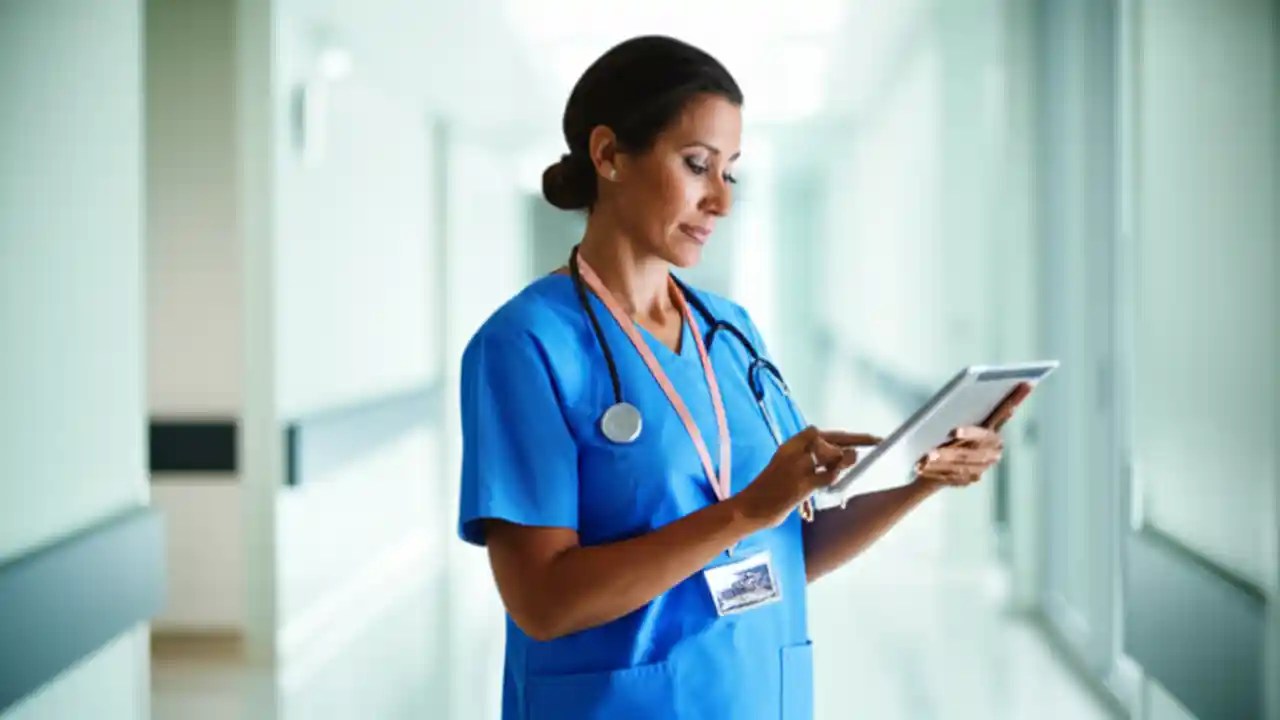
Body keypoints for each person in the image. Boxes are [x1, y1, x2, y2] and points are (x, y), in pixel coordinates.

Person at [456, 35, 1027, 720]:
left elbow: (791, 545)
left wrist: (920, 477)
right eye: (697, 165)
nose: (720, 201)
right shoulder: (526, 345)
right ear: (609, 155)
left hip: (760, 693)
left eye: (731, 172)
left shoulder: (728, 333)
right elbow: (543, 602)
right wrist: (746, 510)